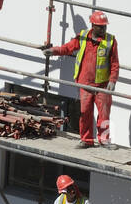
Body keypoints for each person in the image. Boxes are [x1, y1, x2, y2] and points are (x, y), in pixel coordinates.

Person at [42, 11, 119, 147]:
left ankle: (104, 140)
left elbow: (114, 64)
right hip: (85, 84)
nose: (103, 29)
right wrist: (53, 51)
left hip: (102, 86)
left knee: (104, 115)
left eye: (105, 26)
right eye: (100, 27)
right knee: (85, 113)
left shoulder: (110, 41)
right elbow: (67, 48)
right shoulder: (83, 37)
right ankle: (86, 140)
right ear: (93, 26)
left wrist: (112, 80)